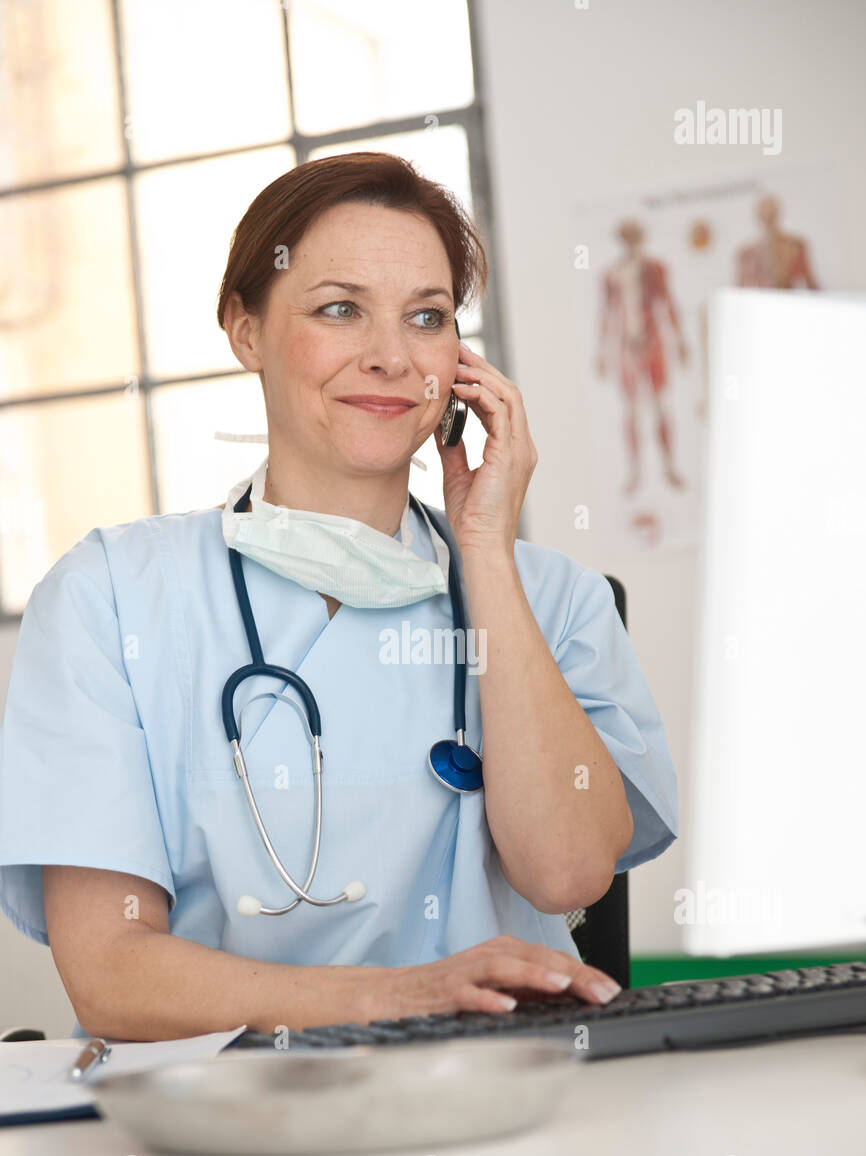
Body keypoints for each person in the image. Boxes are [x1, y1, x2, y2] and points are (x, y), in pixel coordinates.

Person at [0, 153, 677, 1042]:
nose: (391, 357)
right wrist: (399, 996)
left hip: (505, 1107)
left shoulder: (553, 599)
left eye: (427, 318)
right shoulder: (111, 598)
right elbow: (113, 976)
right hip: (233, 1124)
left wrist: (486, 556)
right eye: (339, 309)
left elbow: (567, 875)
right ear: (245, 330)